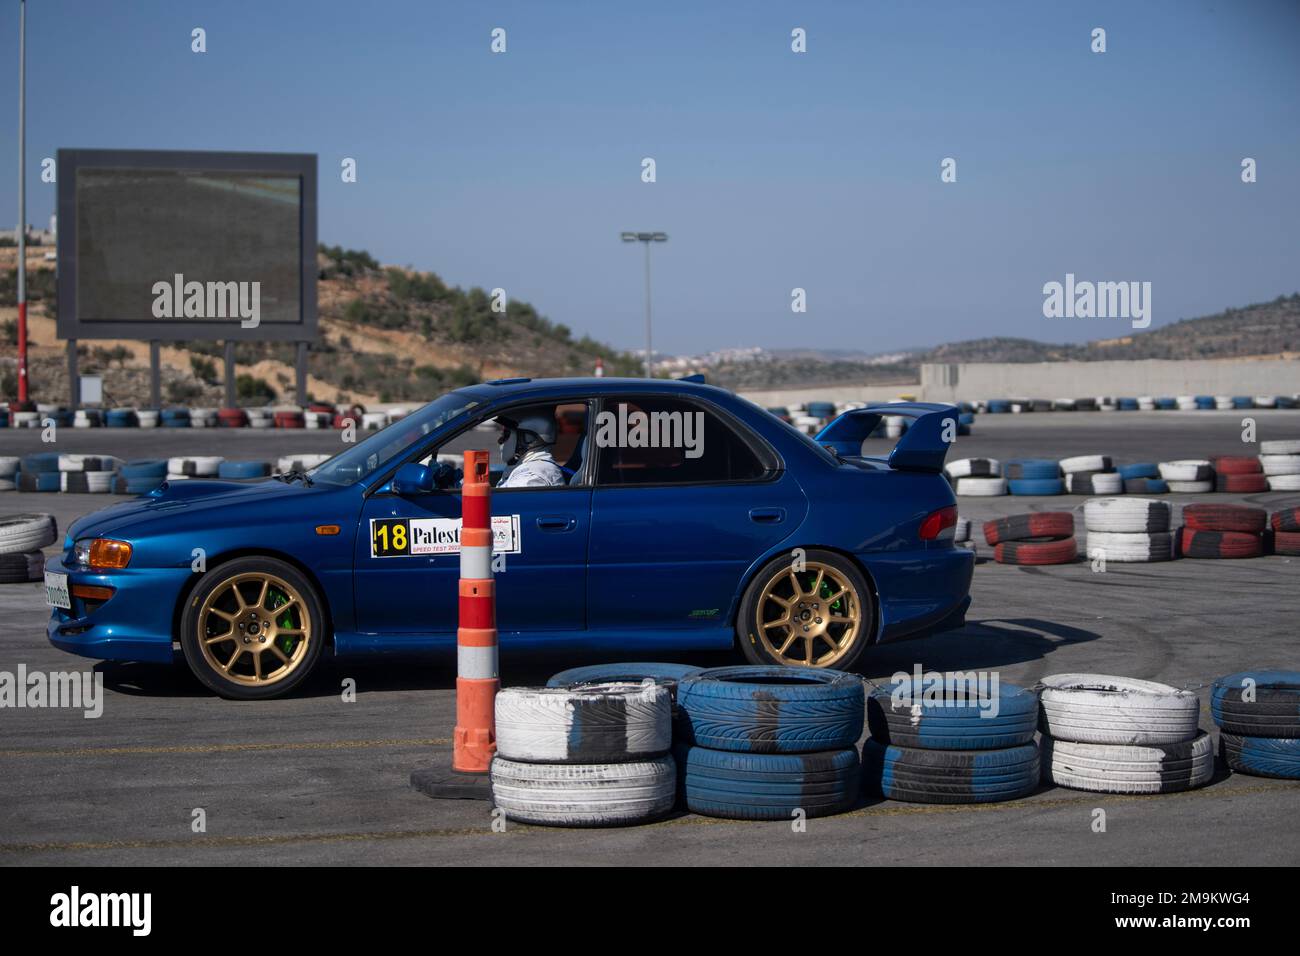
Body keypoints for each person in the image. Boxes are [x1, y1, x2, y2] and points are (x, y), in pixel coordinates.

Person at [497, 411, 565, 488]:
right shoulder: (526, 467)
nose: (499, 441)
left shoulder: (531, 478)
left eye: (506, 434)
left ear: (528, 439)